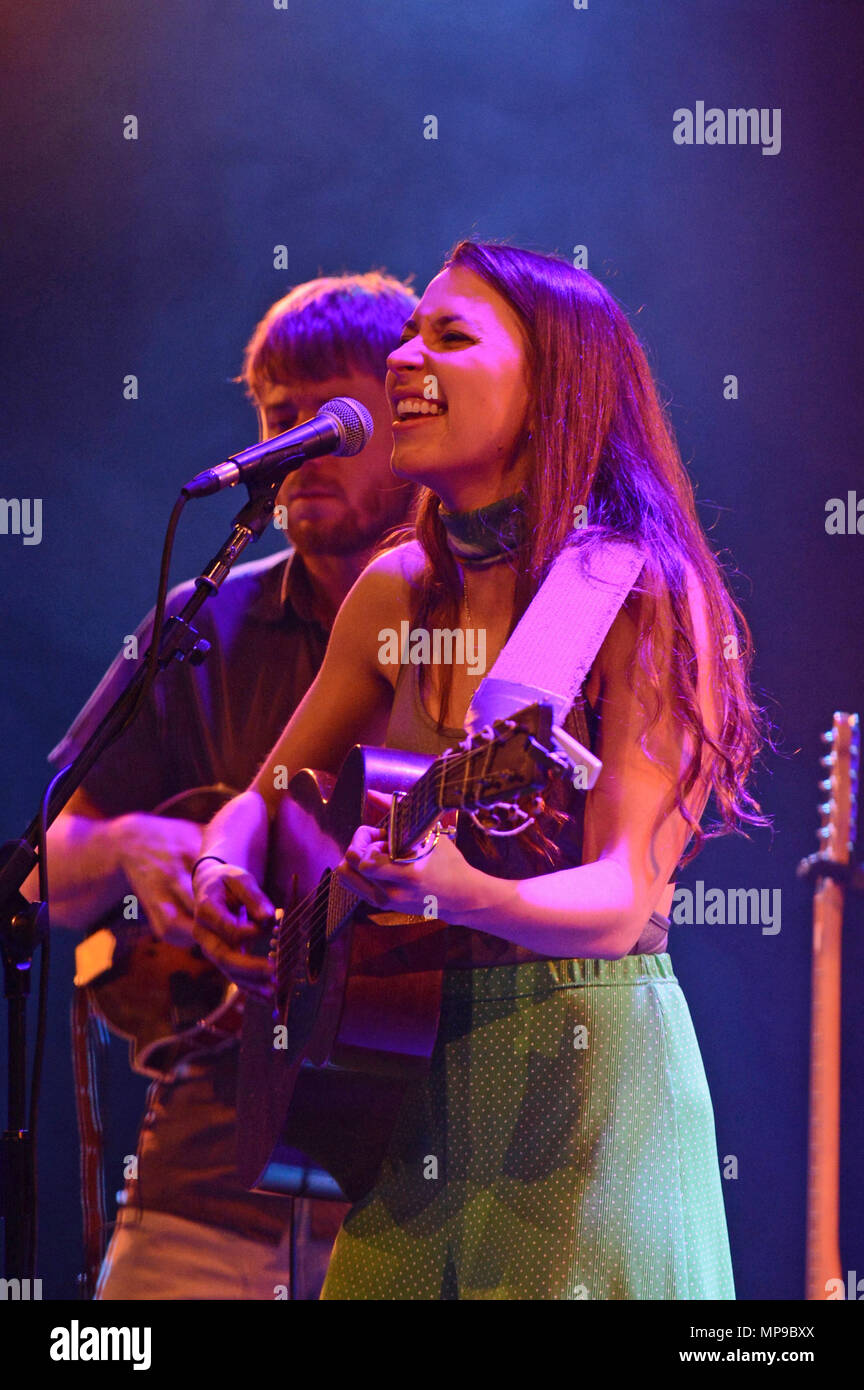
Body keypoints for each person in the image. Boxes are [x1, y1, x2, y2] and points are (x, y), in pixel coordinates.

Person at [192, 241, 767, 1300]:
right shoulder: (396, 592)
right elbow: (267, 802)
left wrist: (470, 892)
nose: (407, 357)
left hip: (580, 1065)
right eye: (413, 331)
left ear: (555, 386)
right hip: (398, 1081)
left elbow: (620, 894)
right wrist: (223, 861)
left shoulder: (635, 589)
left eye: (450, 336)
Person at [32, 271, 418, 1299]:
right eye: (270, 416)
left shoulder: (473, 617)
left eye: (321, 414)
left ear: (408, 411)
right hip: (199, 1177)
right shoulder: (204, 622)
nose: (289, 444)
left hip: (414, 1182)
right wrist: (127, 849)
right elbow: (42, 874)